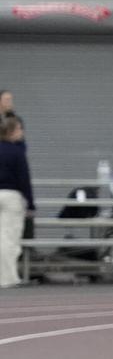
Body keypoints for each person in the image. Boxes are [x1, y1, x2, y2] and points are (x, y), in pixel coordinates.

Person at [0, 117, 33, 288]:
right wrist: (31, 203)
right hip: (11, 196)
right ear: (12, 131)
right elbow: (24, 179)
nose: (22, 132)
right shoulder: (17, 152)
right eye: (19, 129)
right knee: (9, 239)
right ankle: (8, 278)